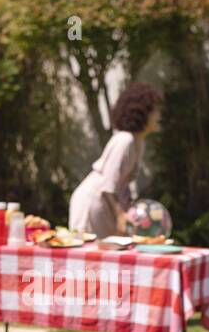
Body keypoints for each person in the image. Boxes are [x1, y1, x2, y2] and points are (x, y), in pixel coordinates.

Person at [68, 82, 163, 238]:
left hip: (106, 204)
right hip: (92, 203)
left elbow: (122, 185)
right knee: (89, 249)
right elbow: (108, 183)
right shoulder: (124, 140)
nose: (159, 115)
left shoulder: (139, 143)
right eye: (155, 110)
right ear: (142, 113)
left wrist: (129, 212)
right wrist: (120, 216)